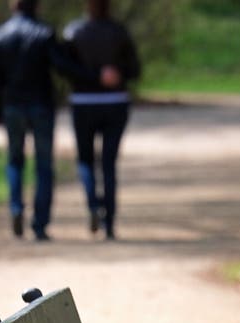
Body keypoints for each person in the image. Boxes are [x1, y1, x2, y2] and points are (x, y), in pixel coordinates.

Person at [62, 0, 141, 239]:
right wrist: (116, 75)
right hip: (115, 103)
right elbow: (135, 69)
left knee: (85, 160)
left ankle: (93, 205)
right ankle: (110, 223)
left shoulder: (73, 32)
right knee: (108, 163)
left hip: (83, 103)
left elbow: (65, 67)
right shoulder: (119, 31)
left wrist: (92, 76)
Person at [0, 0, 62, 241]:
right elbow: (61, 66)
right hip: (41, 106)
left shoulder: (0, 35)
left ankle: (16, 208)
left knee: (15, 160)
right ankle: (40, 224)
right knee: (44, 165)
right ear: (36, 6)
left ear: (14, 6)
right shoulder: (45, 33)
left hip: (13, 106)